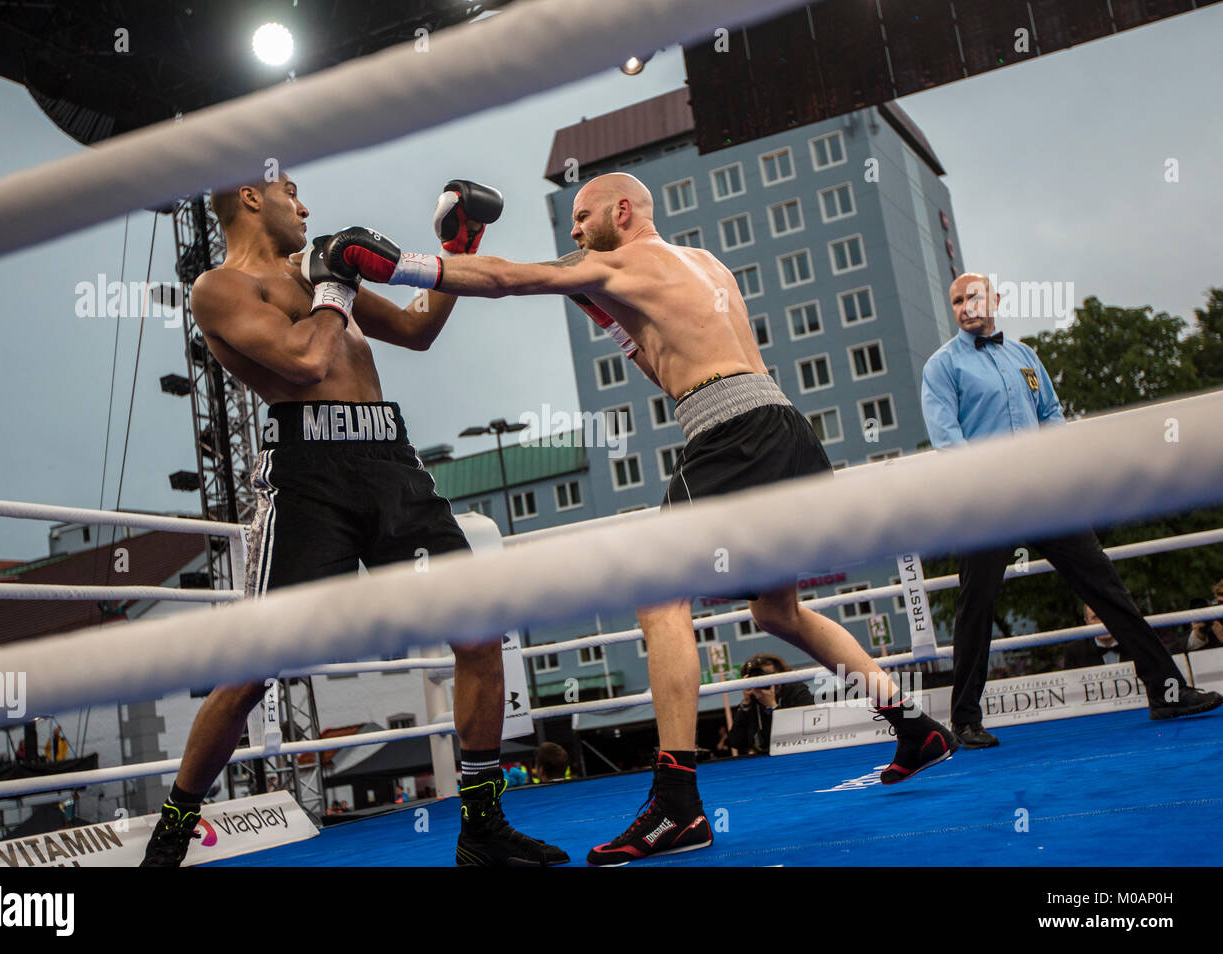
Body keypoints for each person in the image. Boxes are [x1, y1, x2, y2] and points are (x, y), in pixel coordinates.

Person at [340, 172, 958, 865]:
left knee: (659, 593)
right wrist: (614, 323)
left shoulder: (623, 260)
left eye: (581, 217)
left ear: (622, 211)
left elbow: (508, 278)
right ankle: (912, 725)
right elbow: (670, 357)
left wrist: (403, 267)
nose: (574, 232)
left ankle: (678, 804)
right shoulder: (703, 263)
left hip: (731, 436)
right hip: (786, 429)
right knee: (778, 611)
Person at [139, 173, 566, 868]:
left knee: (481, 631)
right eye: (290, 192)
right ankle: (168, 843)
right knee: (253, 668)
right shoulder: (217, 288)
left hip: (389, 462)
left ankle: (482, 827)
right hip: (310, 475)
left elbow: (419, 328)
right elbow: (305, 362)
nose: (305, 207)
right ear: (250, 198)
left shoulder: (318, 269)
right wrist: (336, 286)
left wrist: (456, 252)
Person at [920, 273, 1221, 747]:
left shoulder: (1024, 357)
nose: (965, 307)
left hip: (1046, 494)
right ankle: (964, 720)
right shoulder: (941, 367)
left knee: (1105, 587)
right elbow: (948, 441)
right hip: (988, 502)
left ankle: (1167, 691)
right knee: (975, 607)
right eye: (957, 301)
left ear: (994, 300)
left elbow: (1051, 415)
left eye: (973, 297)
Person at [727, 654, 814, 755]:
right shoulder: (753, 699)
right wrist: (746, 704)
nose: (763, 682)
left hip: (798, 753)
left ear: (781, 674)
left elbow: (806, 730)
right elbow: (736, 742)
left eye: (768, 676)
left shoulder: (796, 691)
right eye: (757, 679)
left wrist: (772, 707)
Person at [1062, 606, 1133, 670]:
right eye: (1096, 618)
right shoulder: (1075, 652)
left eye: (1108, 615)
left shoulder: (1136, 644)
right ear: (1087, 622)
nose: (1102, 622)